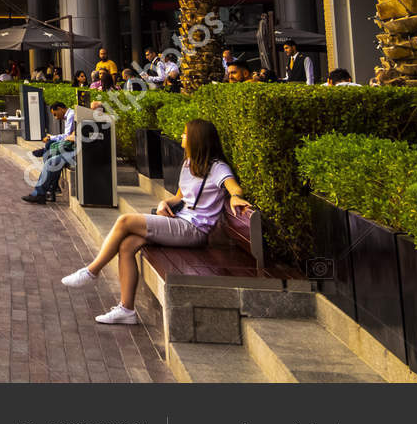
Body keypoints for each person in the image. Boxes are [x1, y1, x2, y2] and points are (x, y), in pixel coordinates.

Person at [62, 119, 252, 324]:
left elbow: (233, 186)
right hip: (180, 221)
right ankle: (126, 310)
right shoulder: (189, 163)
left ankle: (92, 270)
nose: (182, 136)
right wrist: (164, 202)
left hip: (194, 230)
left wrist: (236, 197)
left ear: (197, 139)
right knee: (127, 246)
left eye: (185, 134)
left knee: (125, 221)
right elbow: (180, 197)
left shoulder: (217, 168)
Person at [21, 102, 77, 204]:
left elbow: (68, 136)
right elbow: (69, 136)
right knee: (50, 156)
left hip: (76, 151)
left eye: (55, 114)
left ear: (60, 108)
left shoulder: (72, 115)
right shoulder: (74, 116)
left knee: (51, 158)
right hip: (74, 148)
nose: (55, 118)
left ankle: (46, 191)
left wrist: (55, 137)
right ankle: (48, 189)